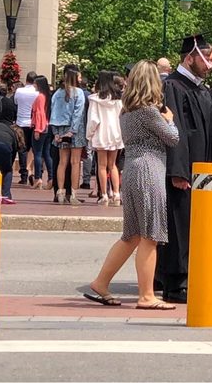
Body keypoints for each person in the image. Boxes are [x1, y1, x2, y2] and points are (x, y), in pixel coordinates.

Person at [157, 34, 212, 304]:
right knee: (179, 223)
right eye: (207, 59)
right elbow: (176, 132)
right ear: (190, 57)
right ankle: (174, 282)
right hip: (183, 171)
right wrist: (178, 170)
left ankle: (192, 274)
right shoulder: (172, 87)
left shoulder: (203, 91)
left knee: (197, 224)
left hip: (205, 169)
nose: (211, 65)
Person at [84, 60, 179, 310]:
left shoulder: (126, 111)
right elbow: (172, 138)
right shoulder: (149, 111)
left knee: (132, 235)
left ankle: (101, 282)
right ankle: (146, 295)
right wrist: (169, 119)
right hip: (150, 170)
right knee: (150, 236)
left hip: (132, 170)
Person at [50, 66, 86, 206]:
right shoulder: (79, 93)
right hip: (74, 130)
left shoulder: (57, 93)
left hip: (59, 128)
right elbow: (78, 113)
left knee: (62, 162)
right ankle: (73, 194)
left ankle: (60, 191)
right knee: (75, 162)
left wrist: (55, 133)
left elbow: (53, 113)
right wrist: (73, 130)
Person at [86, 71, 124, 205]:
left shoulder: (95, 99)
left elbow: (93, 120)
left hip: (101, 133)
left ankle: (104, 194)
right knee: (113, 165)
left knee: (101, 166)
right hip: (116, 133)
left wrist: (89, 135)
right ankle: (117, 193)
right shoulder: (118, 99)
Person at [14, 72, 40, 186]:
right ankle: (32, 171)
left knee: (22, 149)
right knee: (33, 149)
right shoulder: (37, 93)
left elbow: (16, 102)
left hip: (21, 122)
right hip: (32, 123)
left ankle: (23, 175)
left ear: (27, 80)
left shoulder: (19, 91)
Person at [30, 75, 52, 190]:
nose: (33, 85)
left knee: (37, 153)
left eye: (35, 83)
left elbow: (39, 114)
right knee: (47, 153)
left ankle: (38, 177)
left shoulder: (40, 97)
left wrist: (38, 129)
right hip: (47, 126)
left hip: (40, 127)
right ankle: (51, 177)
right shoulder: (47, 96)